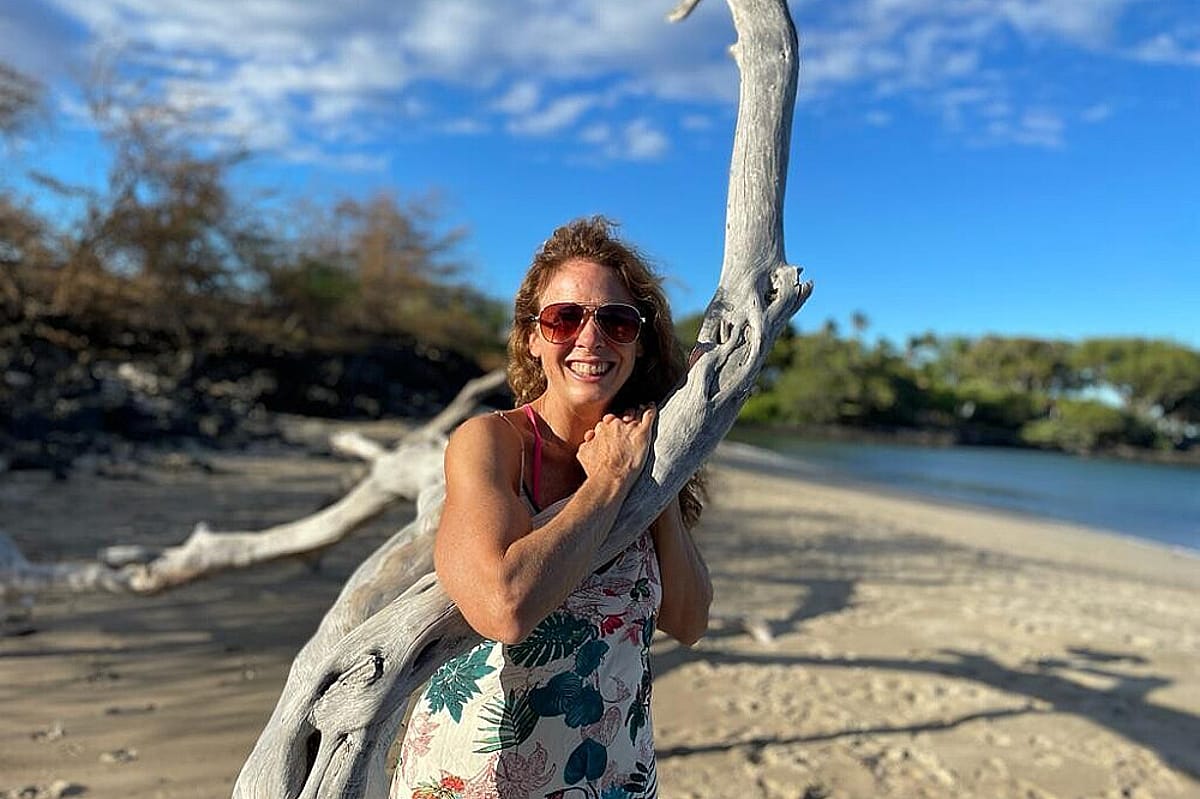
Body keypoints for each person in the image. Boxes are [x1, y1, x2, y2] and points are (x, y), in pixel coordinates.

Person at [391, 217, 712, 799]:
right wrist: (605, 485)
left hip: (611, 775)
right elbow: (504, 606)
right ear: (533, 338)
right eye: (564, 318)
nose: (590, 339)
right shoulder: (492, 443)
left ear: (638, 345)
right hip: (479, 781)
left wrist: (650, 485)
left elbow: (688, 622)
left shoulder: (639, 456)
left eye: (615, 320)